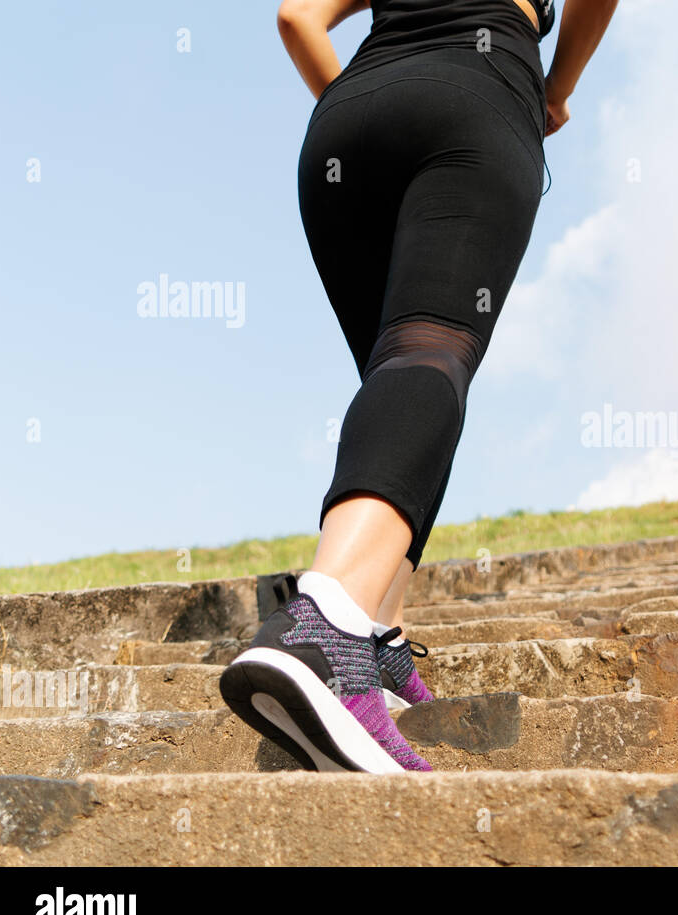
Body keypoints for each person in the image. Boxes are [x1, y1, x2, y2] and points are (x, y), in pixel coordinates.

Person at [220, 0, 618, 772]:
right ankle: (326, 621)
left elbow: (297, 17)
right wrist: (557, 88)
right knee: (429, 360)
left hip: (346, 124)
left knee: (400, 375)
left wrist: (367, 104)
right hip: (476, 93)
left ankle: (376, 638)